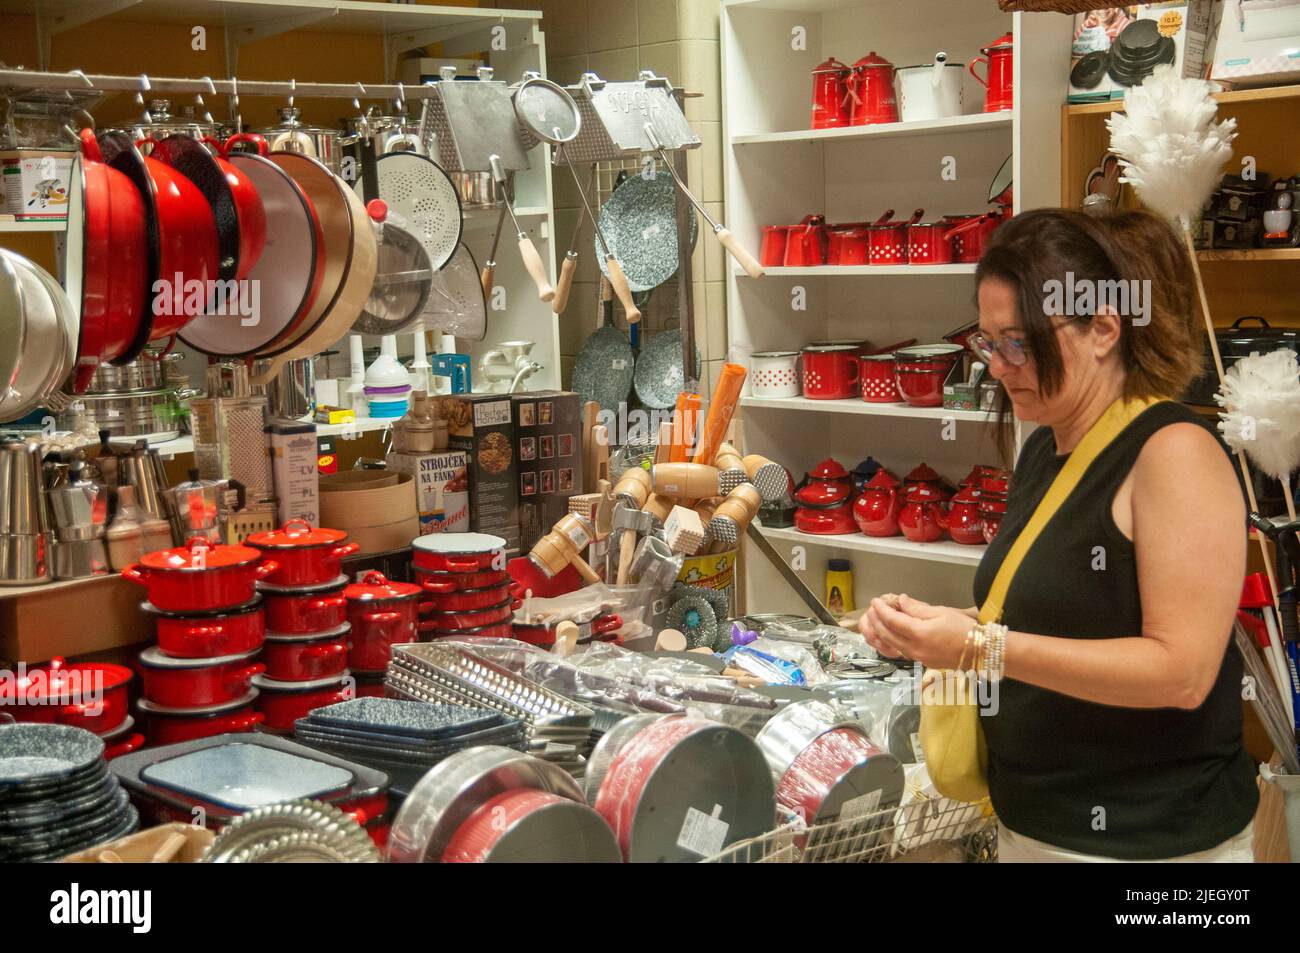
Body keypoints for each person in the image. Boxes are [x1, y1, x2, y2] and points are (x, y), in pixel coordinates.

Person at [860, 208, 1258, 862]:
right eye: (987, 343)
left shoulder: (1174, 453)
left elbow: (1181, 672)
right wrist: (944, 626)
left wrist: (981, 648)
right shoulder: (1047, 445)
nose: (997, 366)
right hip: (1036, 826)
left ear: (1104, 327)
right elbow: (1058, 612)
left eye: (1018, 341)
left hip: (1158, 847)